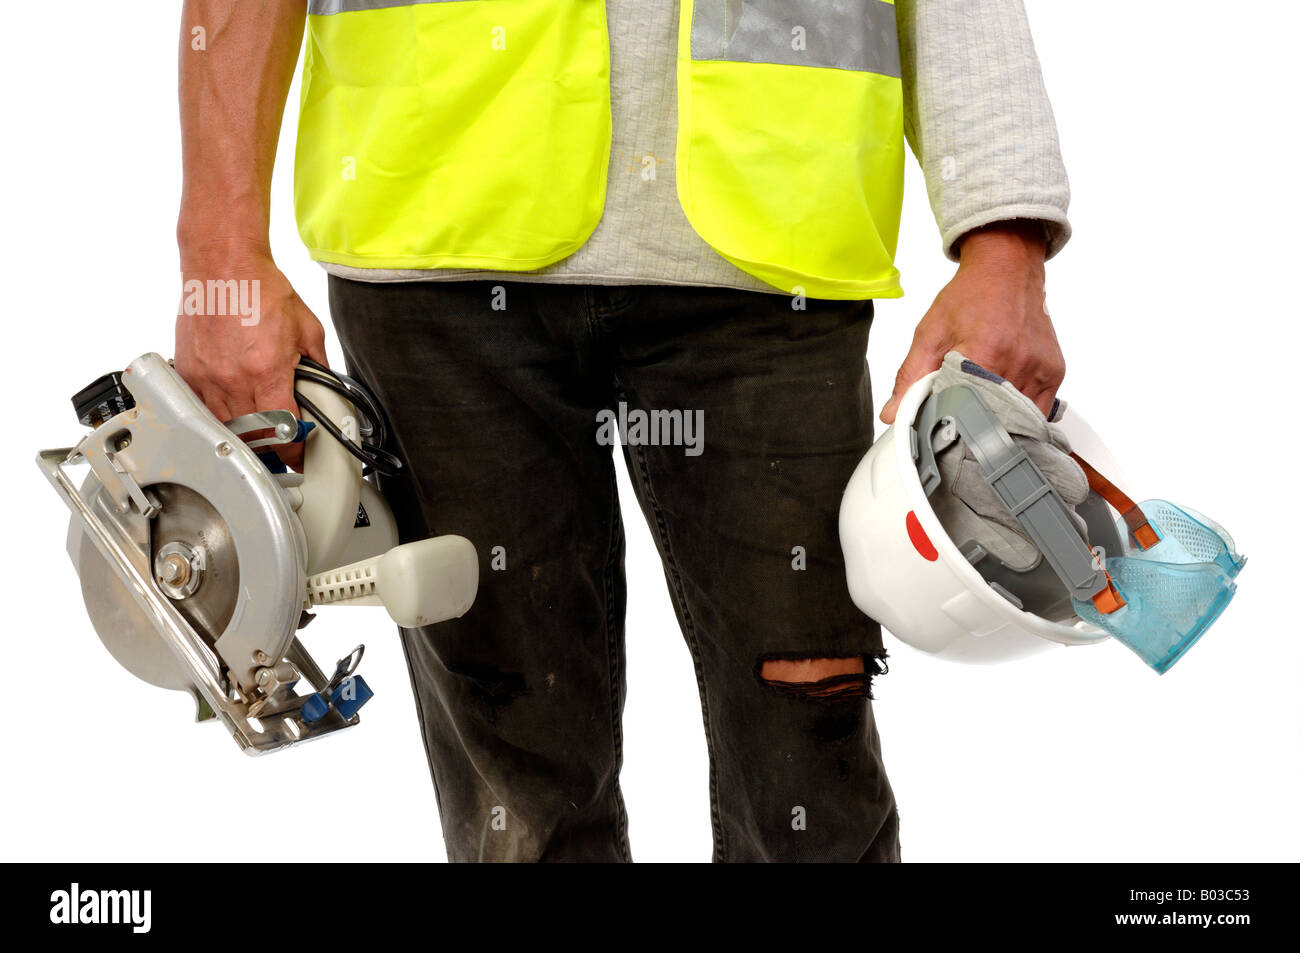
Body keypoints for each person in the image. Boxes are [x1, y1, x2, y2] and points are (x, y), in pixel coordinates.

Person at [175, 0, 1071, 862]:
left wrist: (1005, 237)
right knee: (519, 799)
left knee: (811, 759)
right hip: (437, 236)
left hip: (774, 242)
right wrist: (219, 255)